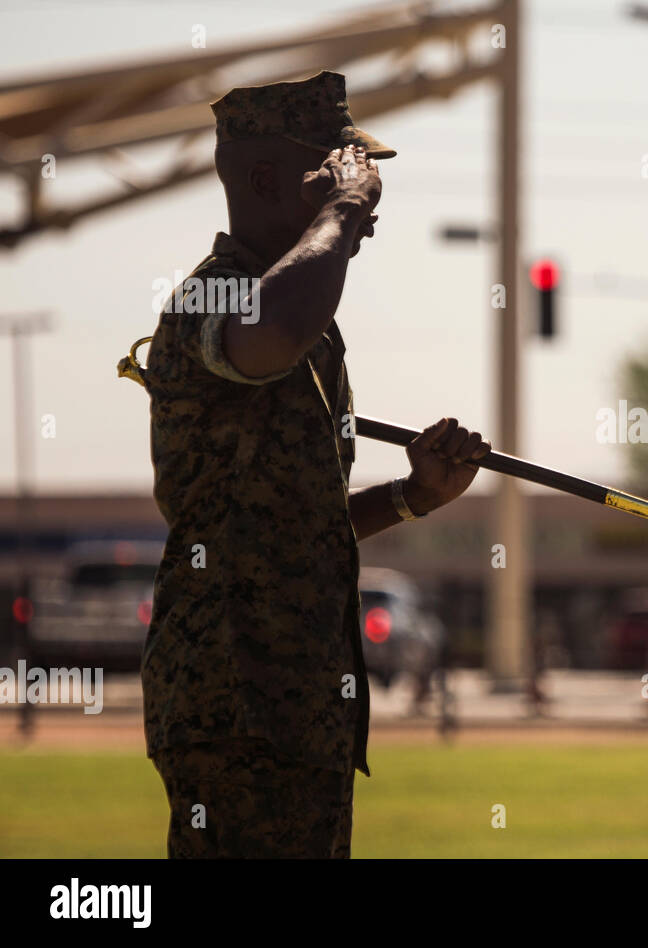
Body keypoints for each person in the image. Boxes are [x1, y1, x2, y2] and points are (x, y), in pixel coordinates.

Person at [134, 71, 489, 857]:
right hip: (236, 703)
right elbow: (272, 331)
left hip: (299, 706)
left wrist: (411, 496)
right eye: (337, 168)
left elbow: (296, 516)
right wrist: (340, 213)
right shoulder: (215, 300)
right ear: (265, 178)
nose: (365, 192)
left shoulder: (311, 329)